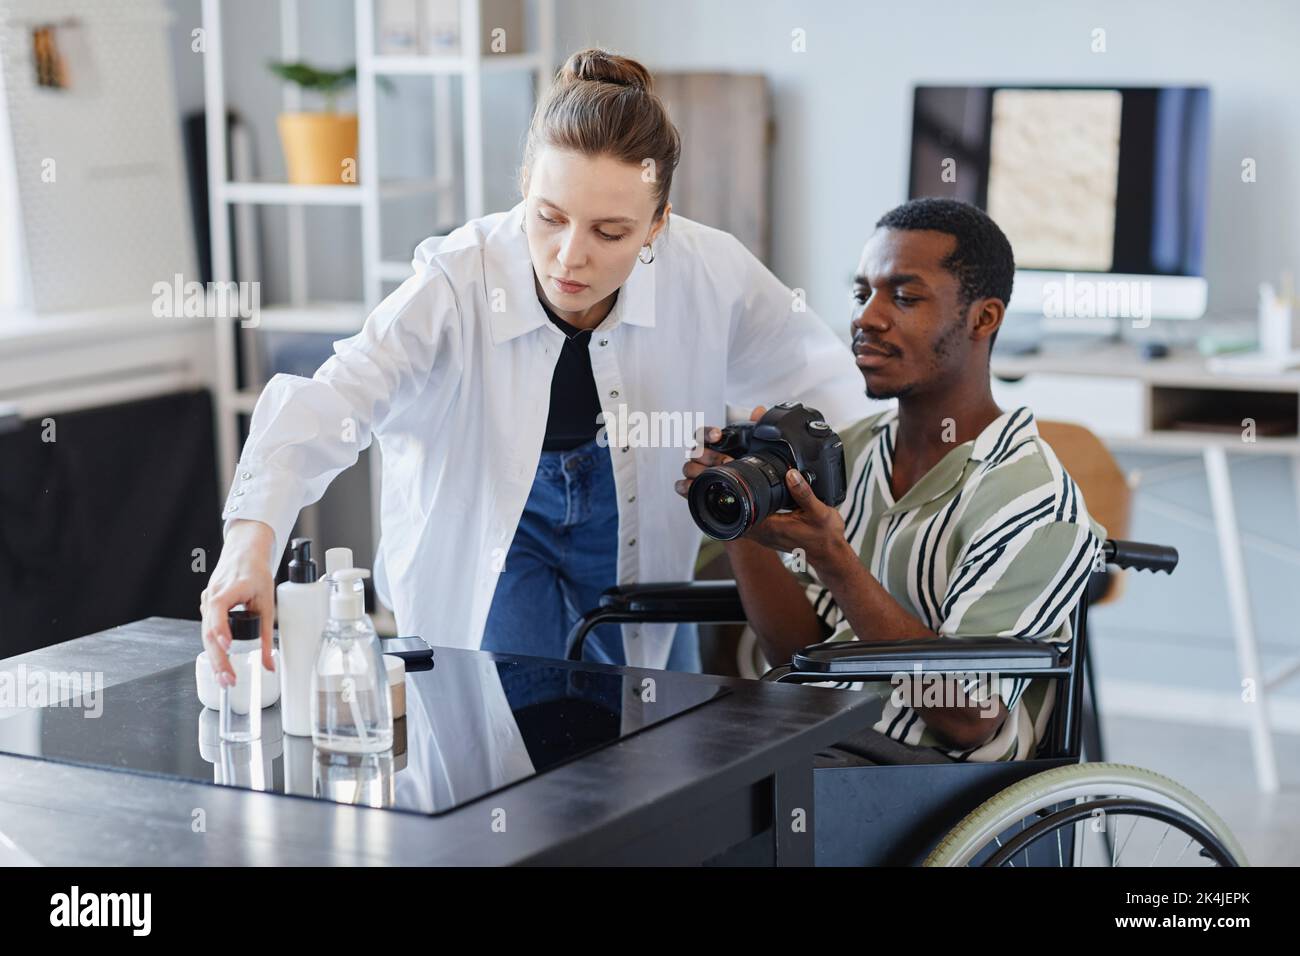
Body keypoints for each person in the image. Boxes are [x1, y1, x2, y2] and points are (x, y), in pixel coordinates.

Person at [200, 48, 871, 685]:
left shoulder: (706, 267)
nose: (568, 257)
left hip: (631, 499)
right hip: (497, 510)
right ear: (524, 186)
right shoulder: (457, 279)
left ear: (658, 224)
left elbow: (828, 387)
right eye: (548, 217)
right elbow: (333, 401)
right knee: (511, 738)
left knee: (651, 728)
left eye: (611, 232)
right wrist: (247, 546)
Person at [678, 198, 1105, 762]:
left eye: (904, 297)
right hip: (817, 740)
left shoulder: (1034, 498)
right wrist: (744, 519)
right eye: (862, 294)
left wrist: (836, 559)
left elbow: (967, 719)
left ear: (984, 318)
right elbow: (798, 653)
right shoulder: (845, 455)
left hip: (918, 777)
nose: (866, 317)